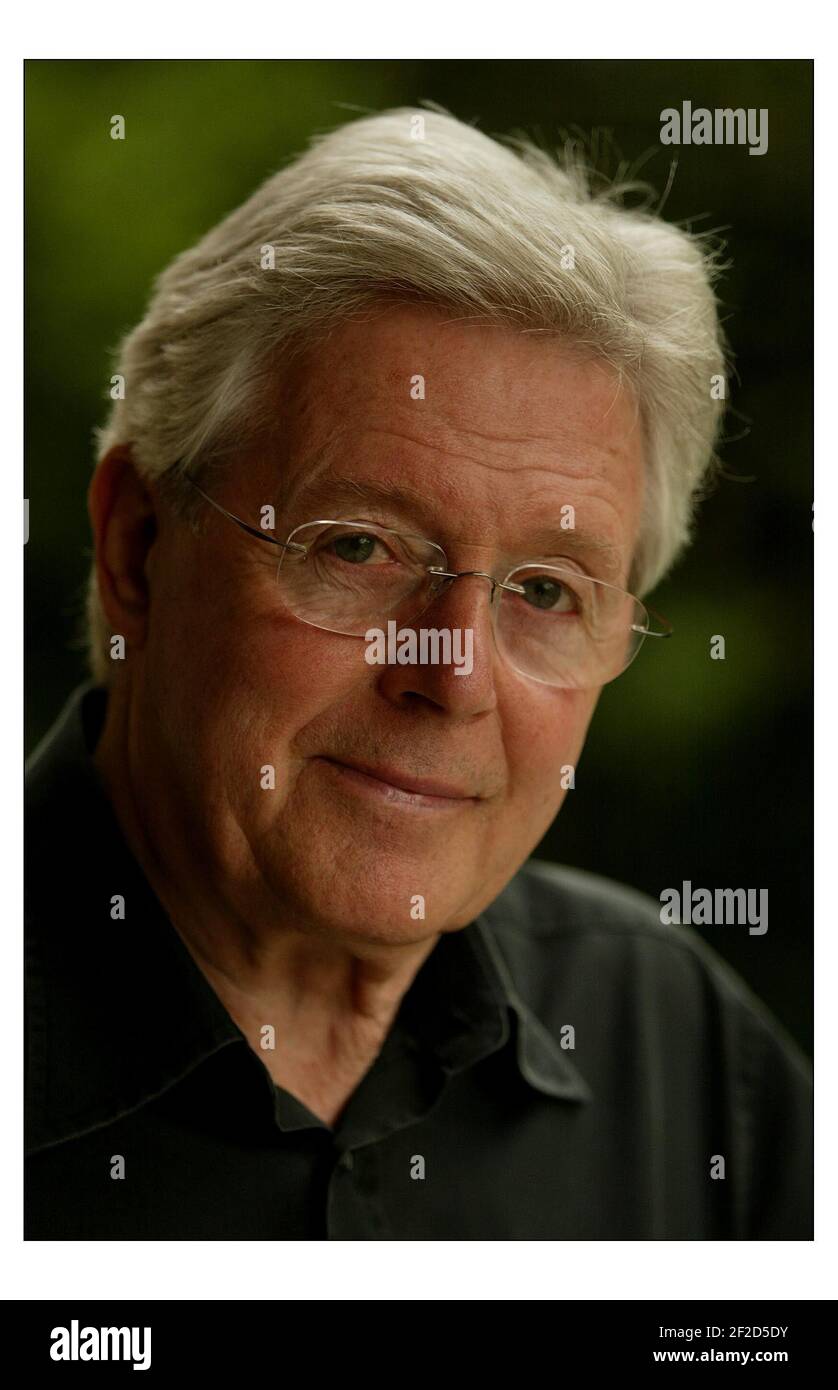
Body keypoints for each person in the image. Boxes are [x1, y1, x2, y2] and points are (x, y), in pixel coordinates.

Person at [25, 106, 812, 1239]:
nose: (452, 677)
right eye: (359, 547)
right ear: (138, 545)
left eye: (546, 592)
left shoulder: (673, 1048)